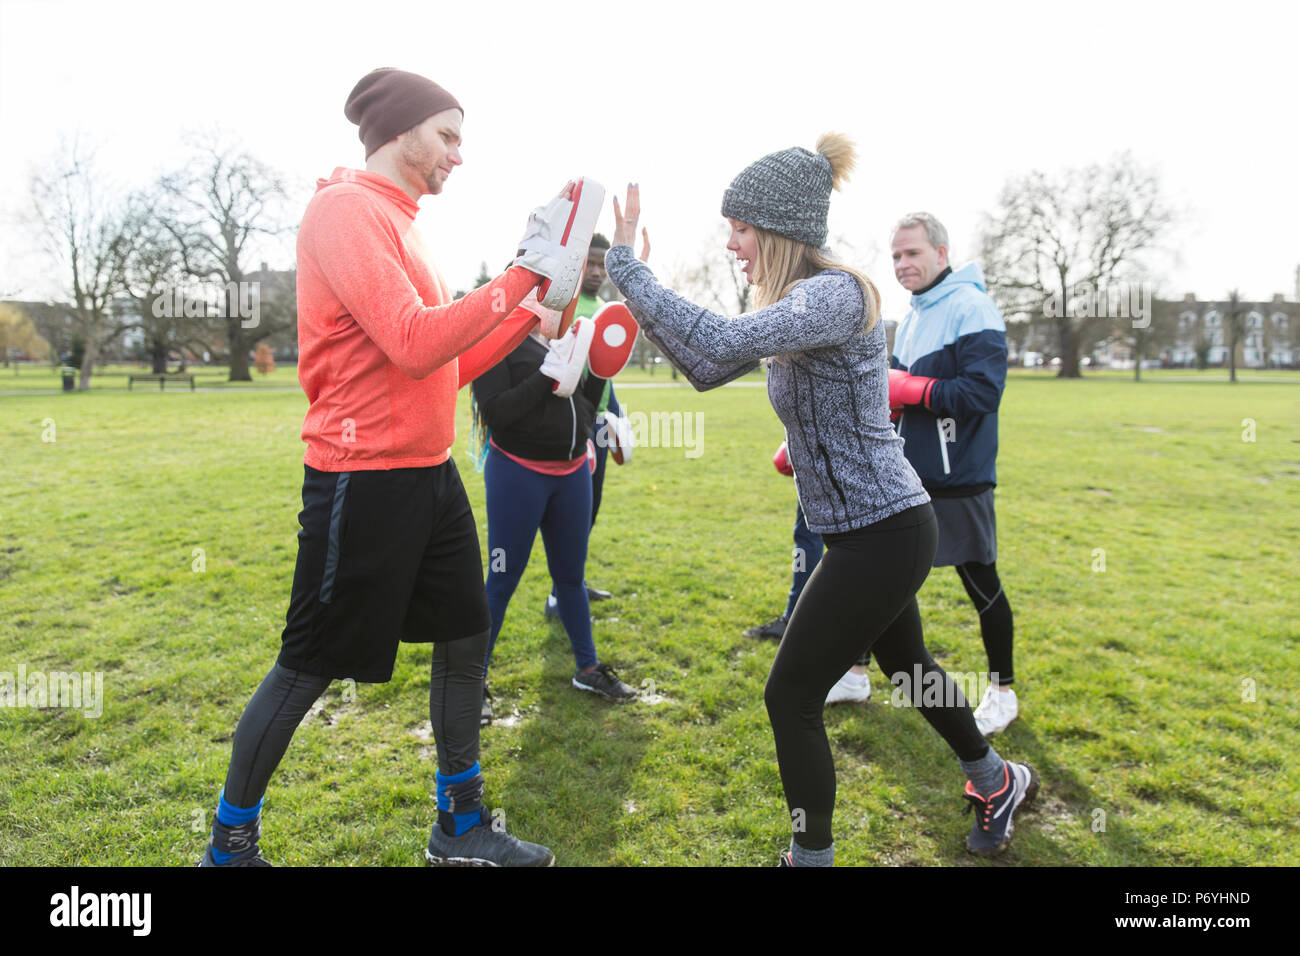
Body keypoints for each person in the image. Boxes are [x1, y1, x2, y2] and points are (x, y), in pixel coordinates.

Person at [197, 67, 596, 867]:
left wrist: (530, 298)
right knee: (309, 665)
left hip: (430, 470)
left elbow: (445, 365)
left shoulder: (405, 221)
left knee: (464, 637)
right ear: (399, 130)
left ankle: (459, 825)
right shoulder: (345, 210)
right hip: (361, 476)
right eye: (447, 135)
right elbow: (414, 340)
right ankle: (230, 846)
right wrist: (522, 272)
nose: (459, 154)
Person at [604, 136, 1038, 865]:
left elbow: (718, 334)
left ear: (775, 227)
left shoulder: (833, 295)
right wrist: (632, 295)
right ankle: (997, 779)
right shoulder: (797, 303)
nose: (732, 243)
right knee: (911, 669)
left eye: (740, 227)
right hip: (865, 531)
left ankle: (811, 858)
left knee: (790, 697)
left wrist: (628, 269)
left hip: (886, 532)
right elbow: (708, 364)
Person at [883, 212, 1018, 736]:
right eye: (895, 255)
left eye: (912, 253)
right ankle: (854, 673)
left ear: (941, 254)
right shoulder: (912, 313)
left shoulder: (972, 305)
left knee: (981, 584)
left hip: (960, 479)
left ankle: (1002, 692)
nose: (902, 264)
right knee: (880, 581)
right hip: (909, 474)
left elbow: (983, 393)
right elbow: (887, 392)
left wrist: (912, 390)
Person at [472, 315, 638, 720]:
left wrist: (597, 374)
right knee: (502, 577)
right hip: (517, 473)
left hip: (573, 473)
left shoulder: (564, 339)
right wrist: (548, 376)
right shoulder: (493, 340)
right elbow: (496, 413)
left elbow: (580, 402)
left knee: (570, 577)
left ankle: (587, 668)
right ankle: (471, 681)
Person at [542, 233, 631, 618]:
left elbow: (605, 375)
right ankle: (556, 595)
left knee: (588, 511)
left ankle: (571, 584)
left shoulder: (610, 307)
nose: (596, 271)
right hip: (570, 426)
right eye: (589, 263)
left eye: (601, 265)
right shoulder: (565, 306)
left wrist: (617, 417)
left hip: (599, 424)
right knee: (567, 515)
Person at [744, 442, 871, 705]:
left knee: (856, 550)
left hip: (851, 460)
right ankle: (798, 620)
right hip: (825, 459)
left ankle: (852, 670)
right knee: (813, 537)